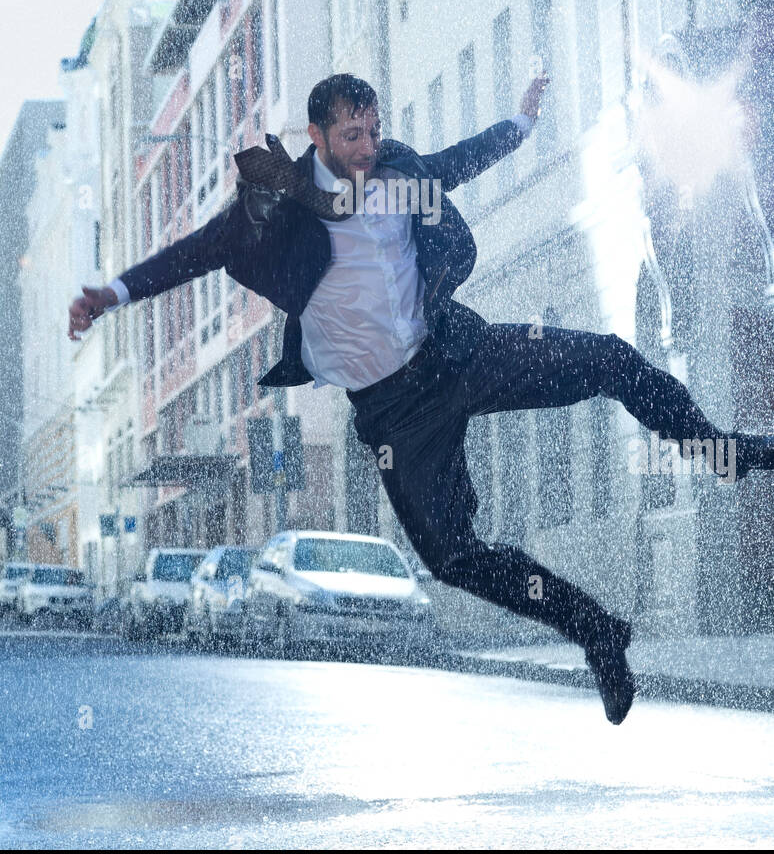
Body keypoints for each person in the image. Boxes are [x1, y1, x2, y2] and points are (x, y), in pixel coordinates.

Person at [68, 73, 774, 724]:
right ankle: (595, 629)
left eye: (375, 131)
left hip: (457, 355)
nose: (370, 148)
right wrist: (113, 294)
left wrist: (519, 126)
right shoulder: (277, 211)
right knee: (452, 559)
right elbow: (195, 251)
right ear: (317, 136)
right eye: (353, 136)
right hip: (393, 415)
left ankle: (724, 452)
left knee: (614, 360)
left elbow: (455, 162)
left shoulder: (397, 177)